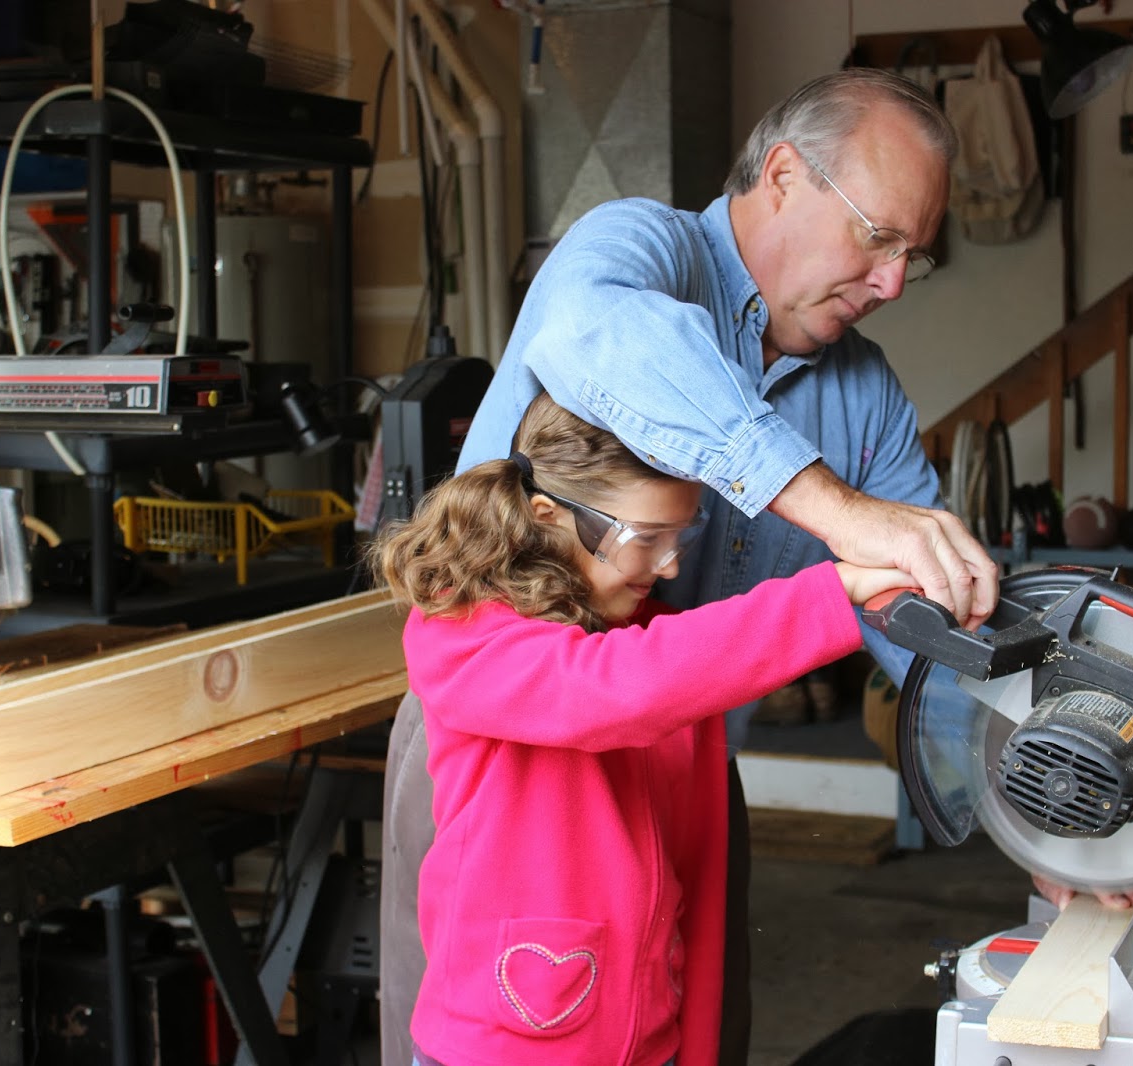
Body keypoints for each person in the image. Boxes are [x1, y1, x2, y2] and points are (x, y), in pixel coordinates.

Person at [382, 67, 998, 1066]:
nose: (890, 281)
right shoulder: (639, 250)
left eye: (910, 258)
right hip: (511, 775)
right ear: (786, 177)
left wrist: (1044, 801)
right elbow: (596, 340)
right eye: (877, 236)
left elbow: (921, 613)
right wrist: (834, 519)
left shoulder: (864, 396)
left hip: (685, 757)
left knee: (697, 1024)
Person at [374, 392, 914, 1066]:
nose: (672, 565)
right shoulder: (464, 634)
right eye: (648, 540)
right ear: (550, 516)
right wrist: (832, 593)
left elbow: (698, 885)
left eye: (680, 536)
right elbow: (613, 688)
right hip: (507, 1042)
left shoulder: (662, 647)